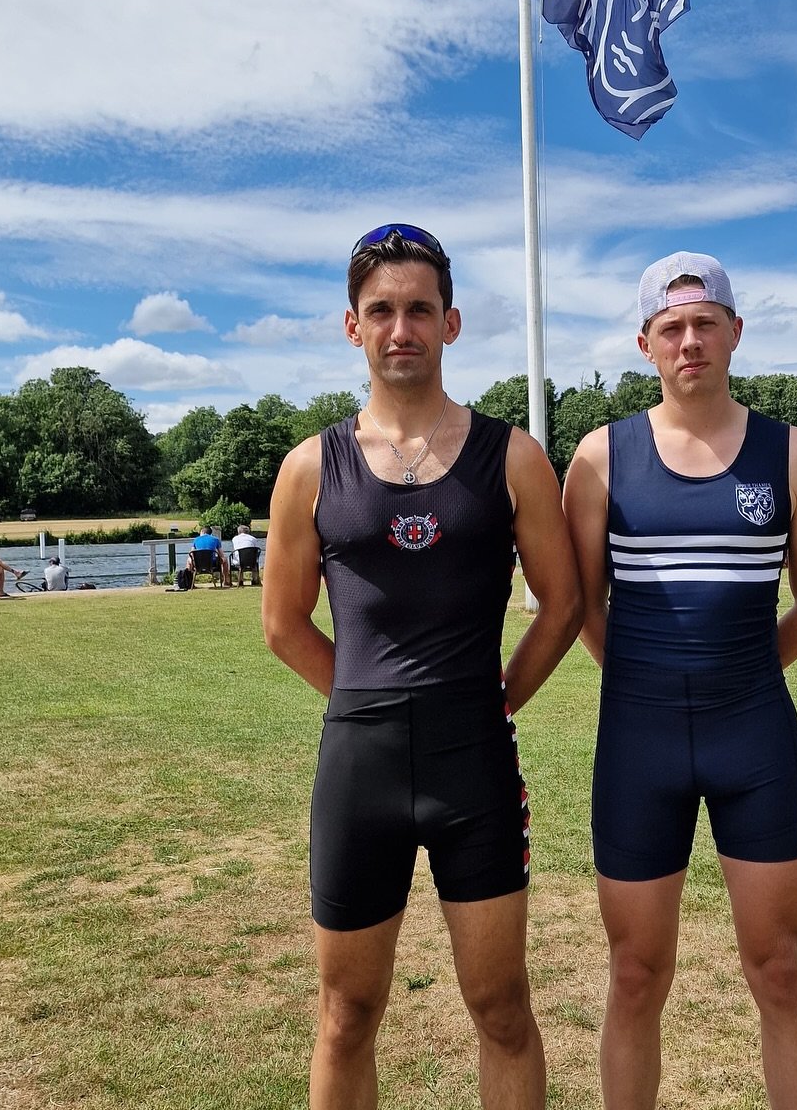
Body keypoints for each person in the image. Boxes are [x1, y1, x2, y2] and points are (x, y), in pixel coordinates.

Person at [263, 223, 583, 1110]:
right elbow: (285, 624)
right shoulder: (309, 469)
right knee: (346, 1013)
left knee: (502, 1007)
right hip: (358, 765)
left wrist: (496, 696)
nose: (399, 327)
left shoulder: (511, 456)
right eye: (381, 311)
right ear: (352, 326)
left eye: (418, 309)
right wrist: (372, 702)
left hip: (474, 759)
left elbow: (563, 605)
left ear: (450, 323)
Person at [563, 251, 797, 1110]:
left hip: (753, 736)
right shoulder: (601, 458)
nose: (690, 341)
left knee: (781, 969)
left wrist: (740, 675)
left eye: (705, 324)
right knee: (636, 974)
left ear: (734, 334)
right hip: (638, 744)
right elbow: (581, 606)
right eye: (672, 328)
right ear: (645, 342)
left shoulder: (794, 457)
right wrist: (650, 679)